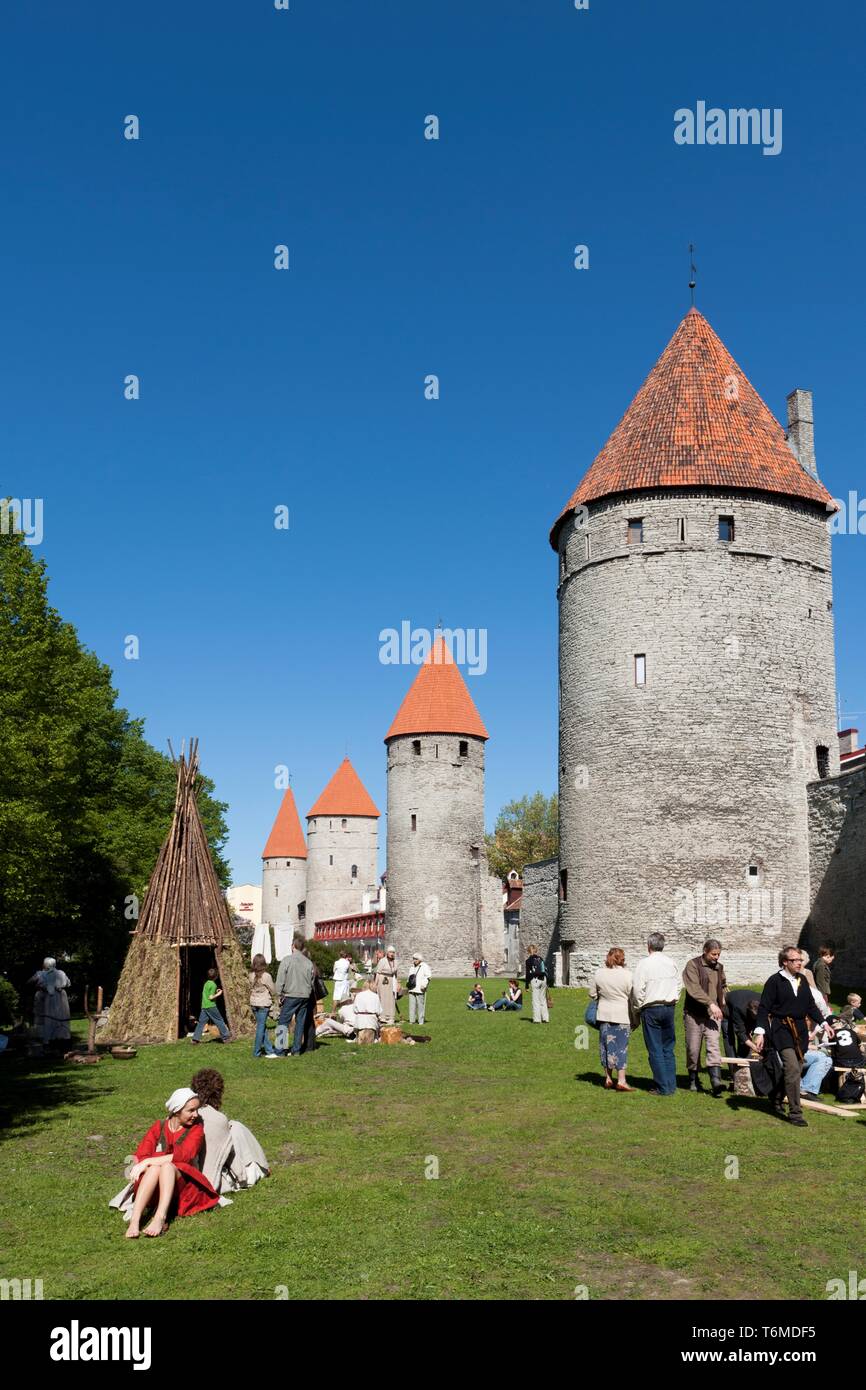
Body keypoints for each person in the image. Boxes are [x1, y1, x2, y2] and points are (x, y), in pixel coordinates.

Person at [112, 1088, 220, 1238]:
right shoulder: (159, 1126)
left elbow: (185, 1156)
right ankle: (135, 1220)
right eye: (191, 1110)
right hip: (153, 1184)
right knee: (156, 1168)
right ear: (176, 1111)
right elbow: (141, 1155)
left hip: (181, 1187)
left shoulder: (196, 1129)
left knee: (167, 1166)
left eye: (196, 1110)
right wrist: (153, 1161)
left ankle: (160, 1217)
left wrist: (151, 1160)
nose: (196, 1115)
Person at [753, 946, 833, 1126]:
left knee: (794, 1069)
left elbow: (811, 1005)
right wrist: (760, 1032)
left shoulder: (802, 979)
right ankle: (796, 1113)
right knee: (793, 1069)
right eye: (795, 960)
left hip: (800, 1032)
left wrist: (823, 1023)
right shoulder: (774, 981)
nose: (799, 963)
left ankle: (776, 1097)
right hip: (781, 1030)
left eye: (800, 960)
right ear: (785, 962)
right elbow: (764, 1008)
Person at [192, 1068, 269, 1191]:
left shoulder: (186, 1114)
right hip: (213, 1177)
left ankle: (260, 1165)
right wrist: (242, 1177)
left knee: (233, 1126)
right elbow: (230, 1154)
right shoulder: (217, 1119)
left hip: (196, 1173)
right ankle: (260, 1165)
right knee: (236, 1127)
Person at [629, 932, 681, 1096]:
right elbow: (679, 984)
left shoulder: (644, 964)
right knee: (668, 1047)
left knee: (655, 1048)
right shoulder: (671, 962)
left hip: (651, 1008)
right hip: (668, 1007)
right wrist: (674, 999)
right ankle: (671, 1084)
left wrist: (637, 1007)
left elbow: (638, 989)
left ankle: (663, 1087)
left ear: (648, 946)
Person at [682, 939, 727, 1097]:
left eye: (718, 954)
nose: (716, 957)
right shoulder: (692, 965)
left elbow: (722, 984)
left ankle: (716, 1082)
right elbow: (693, 988)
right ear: (705, 951)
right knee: (693, 1049)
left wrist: (723, 999)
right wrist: (710, 1003)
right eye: (713, 954)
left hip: (713, 1015)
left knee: (714, 1046)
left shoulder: (719, 967)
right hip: (694, 1014)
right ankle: (693, 1080)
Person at [590, 948, 634, 1091]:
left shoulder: (599, 973)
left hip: (604, 1014)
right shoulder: (628, 975)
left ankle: (608, 1078)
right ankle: (621, 1080)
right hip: (622, 1015)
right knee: (621, 1048)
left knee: (606, 1047)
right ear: (622, 958)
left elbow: (592, 993)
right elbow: (632, 995)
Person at [274, 937, 315, 1056]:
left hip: (290, 995)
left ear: (293, 946)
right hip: (304, 996)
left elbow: (280, 979)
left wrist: (279, 994)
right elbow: (312, 981)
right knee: (300, 1023)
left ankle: (280, 1050)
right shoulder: (308, 962)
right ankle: (296, 1050)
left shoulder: (287, 960)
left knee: (283, 1022)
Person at [28, 958, 71, 1044]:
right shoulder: (61, 973)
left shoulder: (41, 974)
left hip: (50, 996)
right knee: (61, 1016)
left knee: (50, 1017)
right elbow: (68, 983)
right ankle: (63, 1037)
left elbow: (30, 982)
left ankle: (50, 1038)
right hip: (61, 996)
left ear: (45, 965)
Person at [190, 967, 232, 1044]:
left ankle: (195, 1039)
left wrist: (215, 991)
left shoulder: (206, 983)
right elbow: (211, 997)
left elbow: (207, 993)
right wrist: (219, 993)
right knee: (219, 1021)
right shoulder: (213, 984)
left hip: (204, 1006)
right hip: (211, 1006)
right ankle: (226, 1038)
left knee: (201, 1023)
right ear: (216, 976)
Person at [249, 954, 278, 1058]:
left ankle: (269, 1050)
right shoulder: (266, 976)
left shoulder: (250, 975)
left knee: (262, 1027)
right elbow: (273, 990)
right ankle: (256, 1052)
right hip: (263, 1004)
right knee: (260, 1028)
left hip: (253, 1003)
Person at [801, 1021, 834, 1098]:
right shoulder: (800, 1027)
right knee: (821, 1056)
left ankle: (810, 1086)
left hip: (806, 1053)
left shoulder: (812, 1030)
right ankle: (806, 1088)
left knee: (828, 1060)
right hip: (798, 1053)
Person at [725, 988, 761, 1059]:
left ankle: (743, 1059)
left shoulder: (763, 1001)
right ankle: (733, 1066)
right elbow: (740, 1032)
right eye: (753, 1016)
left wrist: (755, 1033)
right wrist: (753, 1046)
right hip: (726, 1007)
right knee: (729, 1036)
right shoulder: (738, 1009)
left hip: (743, 1002)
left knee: (747, 1035)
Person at [524, 945, 549, 1024]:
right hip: (543, 979)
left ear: (528, 951)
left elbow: (528, 974)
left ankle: (537, 1019)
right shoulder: (540, 959)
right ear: (536, 951)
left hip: (535, 980)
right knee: (543, 1000)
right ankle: (545, 1018)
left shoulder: (528, 961)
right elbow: (544, 969)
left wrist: (527, 985)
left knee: (535, 1000)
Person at [374, 948, 398, 1026]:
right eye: (390, 952)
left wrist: (397, 984)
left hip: (391, 980)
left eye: (393, 952)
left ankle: (390, 1017)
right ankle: (382, 1017)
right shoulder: (382, 961)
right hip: (382, 980)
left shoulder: (395, 962)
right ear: (387, 953)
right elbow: (378, 972)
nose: (392, 954)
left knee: (391, 999)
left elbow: (396, 974)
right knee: (383, 998)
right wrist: (375, 984)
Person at [407, 952, 431, 1025]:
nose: (414, 960)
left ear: (420, 959)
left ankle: (421, 1021)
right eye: (413, 959)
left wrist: (424, 985)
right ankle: (412, 1020)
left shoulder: (424, 966)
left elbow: (428, 976)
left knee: (420, 1006)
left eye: (416, 959)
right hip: (412, 989)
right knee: (412, 1006)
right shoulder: (411, 967)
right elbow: (409, 977)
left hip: (420, 989)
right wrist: (408, 984)